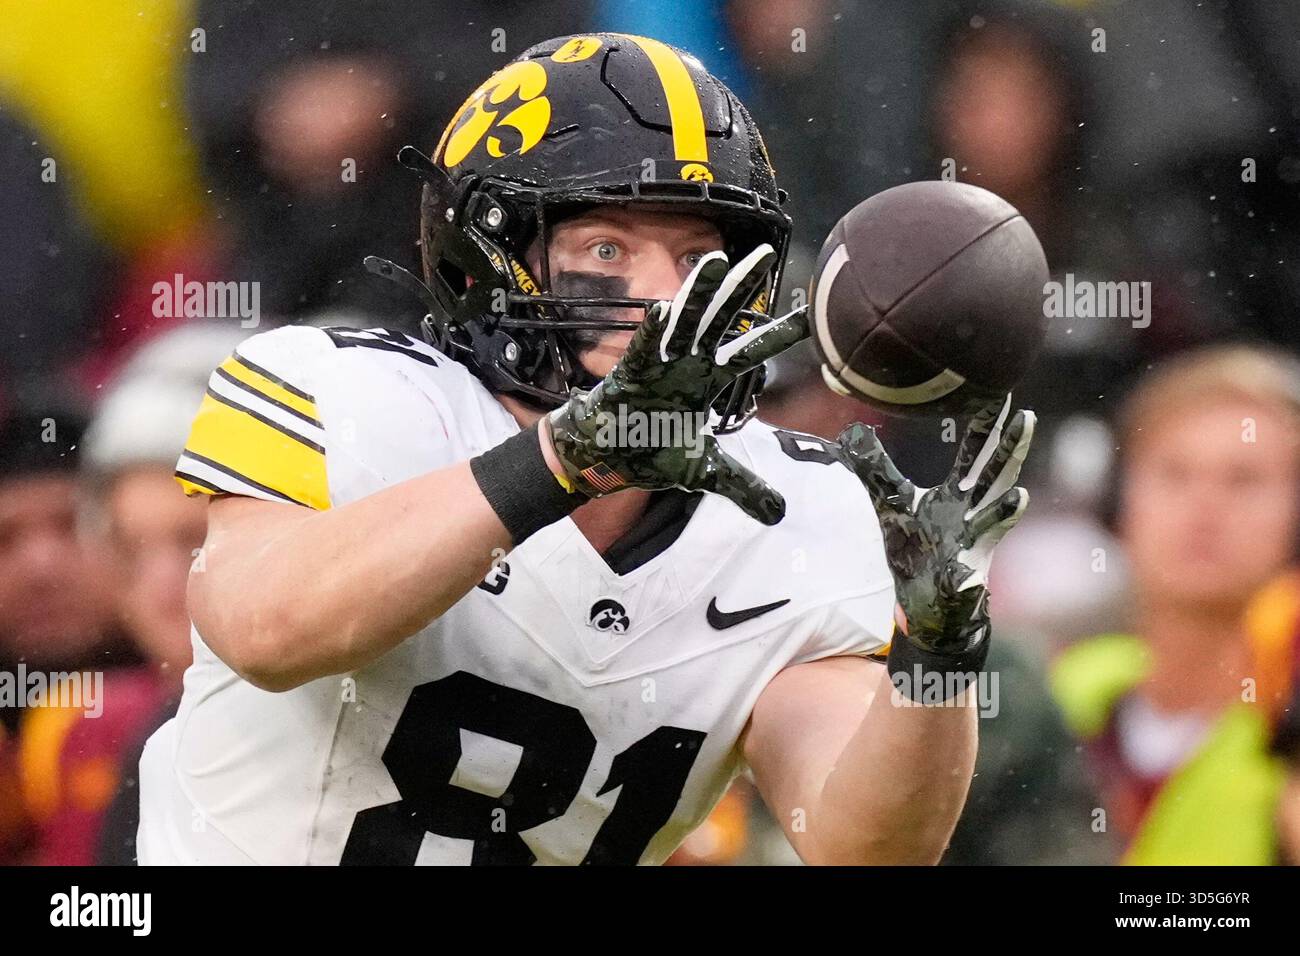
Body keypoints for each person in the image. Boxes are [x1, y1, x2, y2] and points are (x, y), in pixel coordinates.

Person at [138, 33, 1034, 866]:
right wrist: (569, 460)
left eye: (696, 256)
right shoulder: (344, 390)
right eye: (607, 245)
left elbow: (865, 844)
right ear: (485, 255)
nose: (661, 298)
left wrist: (935, 657)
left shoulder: (800, 509)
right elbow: (267, 629)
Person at [1052, 345, 1300, 864]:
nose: (1204, 507)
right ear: (1117, 503)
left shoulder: (1286, 728)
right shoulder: (1056, 693)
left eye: (1245, 480)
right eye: (1174, 474)